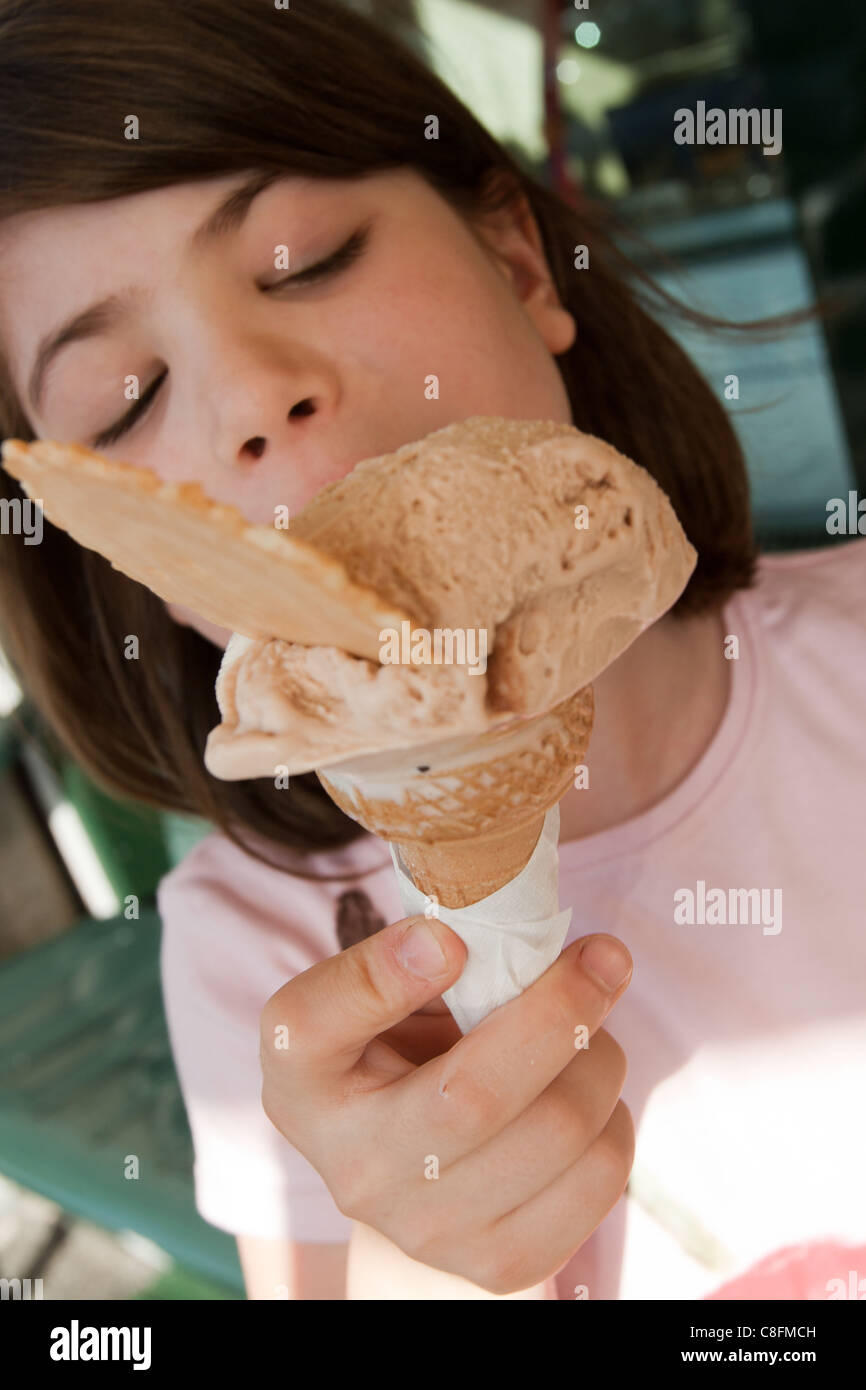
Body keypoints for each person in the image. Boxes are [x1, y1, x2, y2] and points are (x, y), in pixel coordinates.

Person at [0, 0, 863, 1300]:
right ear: (145, 568)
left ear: (516, 261)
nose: (252, 389)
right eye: (126, 399)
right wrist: (422, 1249)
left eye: (303, 258)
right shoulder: (250, 960)